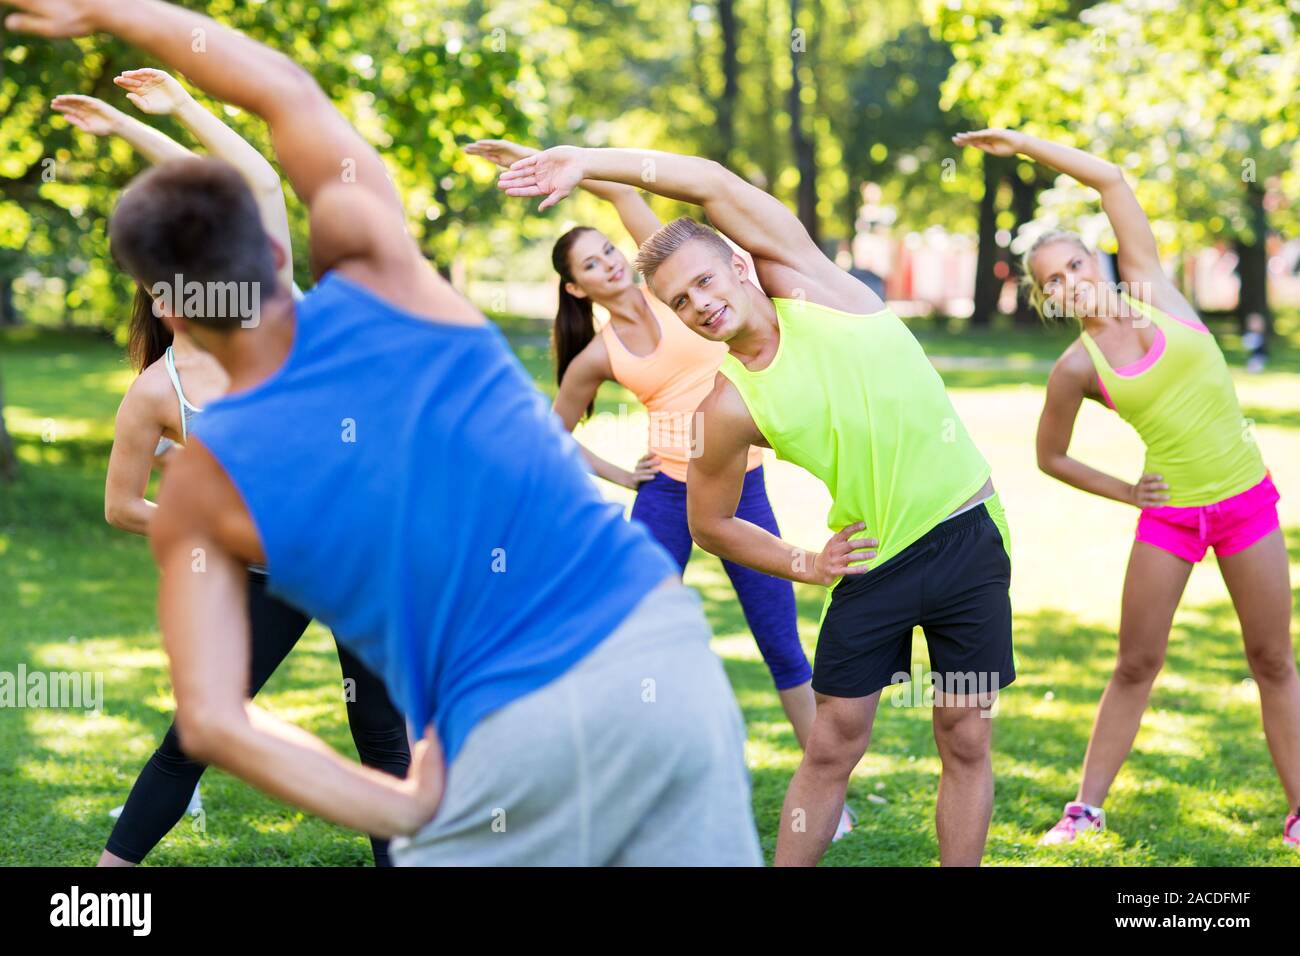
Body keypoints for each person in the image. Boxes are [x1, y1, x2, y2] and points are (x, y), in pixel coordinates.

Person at [9, 0, 761, 866]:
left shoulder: (201, 489)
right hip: (653, 653)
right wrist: (116, 11)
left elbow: (216, 722)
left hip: (497, 730)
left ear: (168, 304)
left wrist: (409, 807)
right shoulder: (385, 278)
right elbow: (287, 93)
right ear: (277, 253)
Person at [499, 144, 1015, 866]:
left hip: (967, 539)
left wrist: (584, 162)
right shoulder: (727, 406)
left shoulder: (812, 285)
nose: (700, 304)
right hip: (872, 564)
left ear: (739, 266)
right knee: (833, 745)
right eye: (681, 301)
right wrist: (804, 561)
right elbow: (709, 523)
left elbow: (709, 183)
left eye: (705, 282)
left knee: (965, 735)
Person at [56, 71, 411, 867]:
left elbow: (251, 180)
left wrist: (165, 112)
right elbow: (122, 506)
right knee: (196, 728)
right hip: (264, 574)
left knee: (382, 734)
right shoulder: (157, 394)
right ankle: (106, 884)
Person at [468, 140, 854, 837]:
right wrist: (622, 476)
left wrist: (564, 163)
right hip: (666, 499)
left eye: (609, 253)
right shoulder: (597, 354)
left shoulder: (671, 286)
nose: (610, 263)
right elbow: (550, 433)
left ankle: (832, 795)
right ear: (578, 288)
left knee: (781, 643)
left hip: (743, 490)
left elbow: (624, 195)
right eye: (591, 265)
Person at [955, 127, 1300, 851]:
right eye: (1051, 280)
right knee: (1135, 663)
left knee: (1272, 660)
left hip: (1244, 503)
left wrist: (1021, 145)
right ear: (1046, 298)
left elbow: (1110, 178)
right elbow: (1050, 456)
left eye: (1074, 264)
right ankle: (1085, 809)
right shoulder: (1076, 370)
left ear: (1097, 260)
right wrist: (1125, 491)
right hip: (1171, 519)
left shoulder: (1157, 291)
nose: (1068, 281)